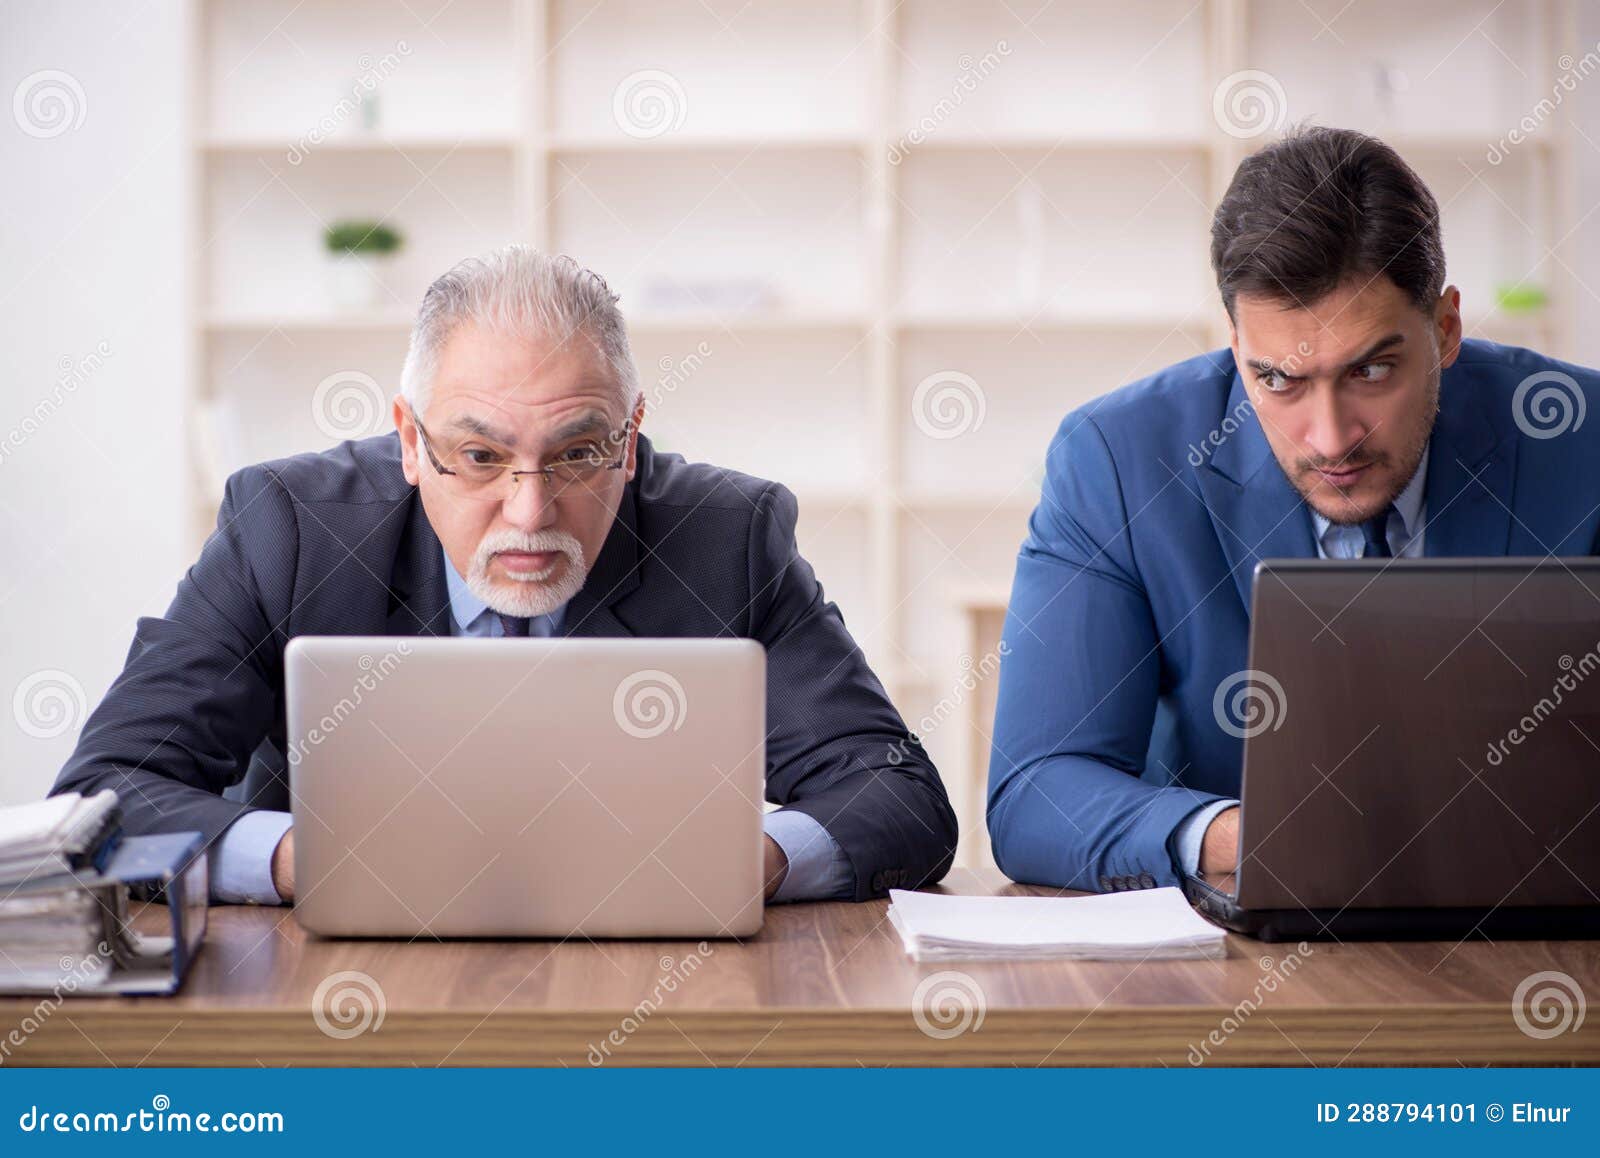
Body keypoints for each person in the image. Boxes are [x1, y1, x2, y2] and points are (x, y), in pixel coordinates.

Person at [54, 246, 957, 906]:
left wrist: (739, 862)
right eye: (480, 455)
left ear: (631, 438)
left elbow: (898, 794)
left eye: (578, 453)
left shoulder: (730, 537)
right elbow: (103, 796)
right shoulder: (288, 529)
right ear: (410, 440)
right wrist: (313, 861)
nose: (529, 512)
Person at [988, 125, 1600, 892]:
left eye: (1372, 370)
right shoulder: (1116, 461)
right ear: (1236, 345)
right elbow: (1037, 793)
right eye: (1278, 379)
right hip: (1245, 958)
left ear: (1444, 329)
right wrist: (1240, 837)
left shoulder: (1581, 440)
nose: (1331, 437)